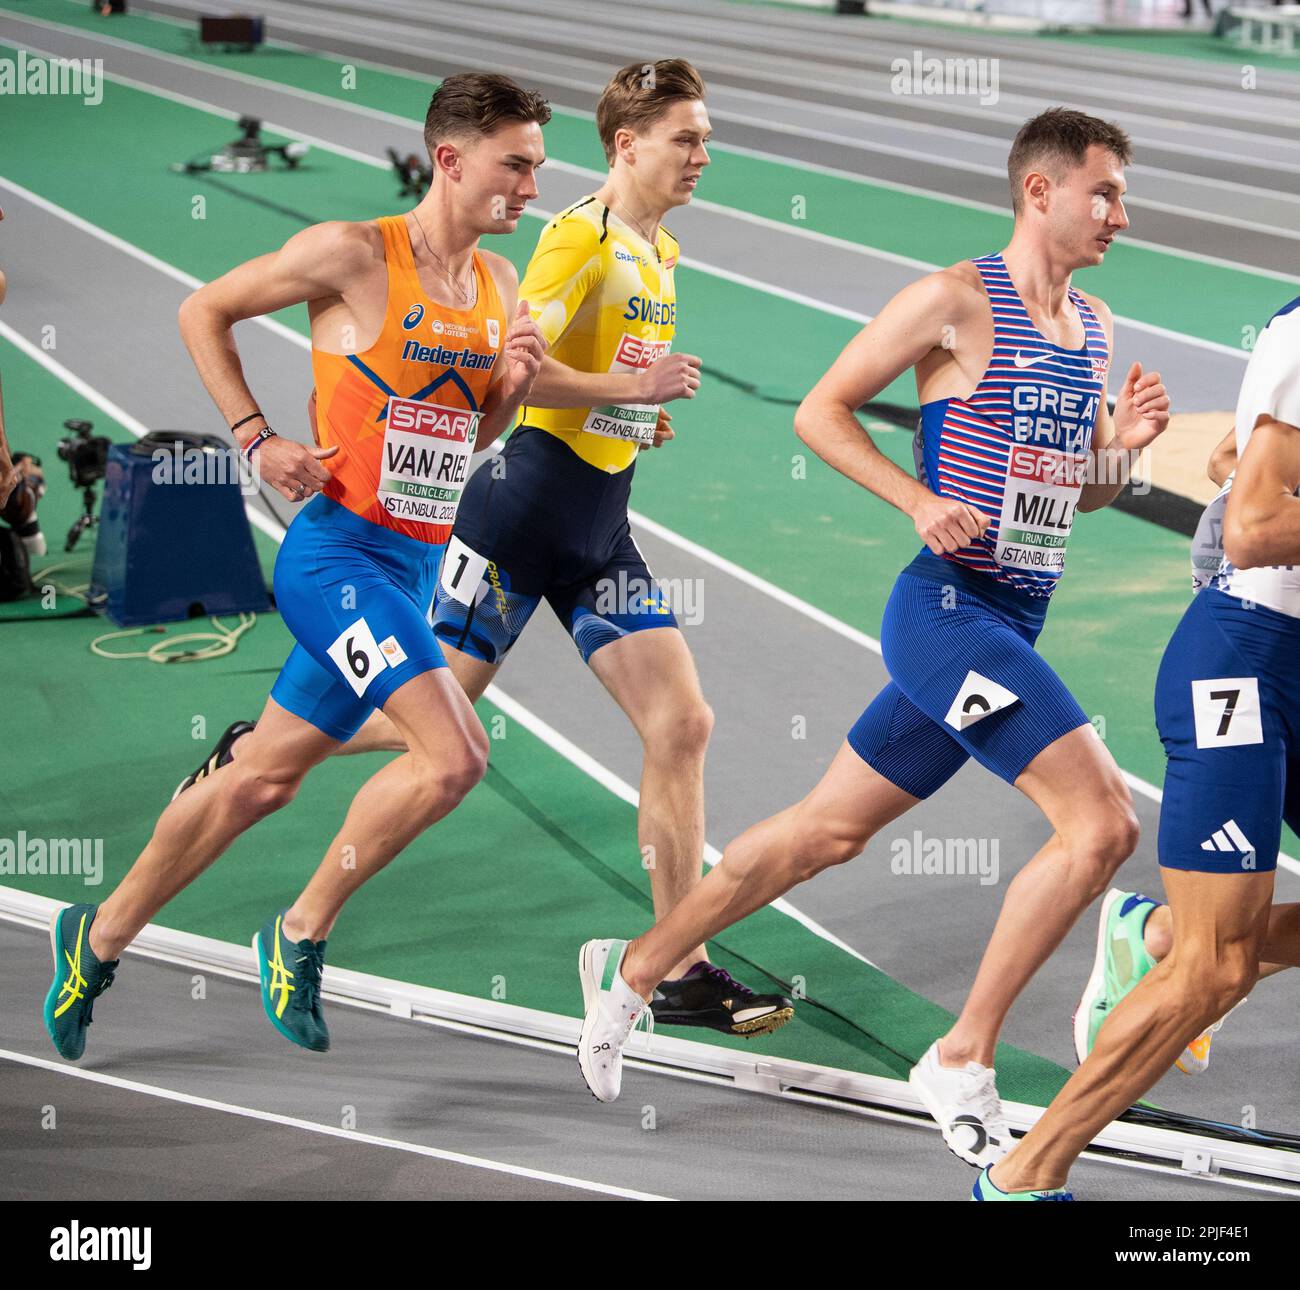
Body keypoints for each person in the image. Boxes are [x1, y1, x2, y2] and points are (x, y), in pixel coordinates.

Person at [574, 107, 1172, 1146]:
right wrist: (913, 500)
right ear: (1041, 192)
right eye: (1105, 191)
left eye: (1122, 193)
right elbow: (821, 409)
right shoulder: (952, 300)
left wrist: (1122, 453)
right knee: (1104, 824)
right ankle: (959, 1059)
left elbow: (1077, 499)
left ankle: (630, 969)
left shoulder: (1097, 327)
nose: (1122, 213)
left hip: (1010, 623)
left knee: (825, 833)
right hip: (944, 613)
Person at [175, 60, 794, 1040]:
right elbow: (519, 379)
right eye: (687, 138)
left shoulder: (657, 250)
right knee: (441, 722)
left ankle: (676, 964)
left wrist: (627, 425)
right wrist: (624, 398)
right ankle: (278, 808)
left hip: (599, 527)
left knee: (682, 725)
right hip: (520, 518)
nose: (703, 156)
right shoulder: (572, 240)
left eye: (705, 138)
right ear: (628, 144)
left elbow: (578, 377)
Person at [44, 73, 550, 1060]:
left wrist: (516, 392)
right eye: (516, 162)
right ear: (450, 159)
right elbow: (204, 309)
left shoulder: (496, 285)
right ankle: (300, 929)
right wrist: (254, 437)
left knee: (259, 781)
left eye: (536, 164)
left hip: (412, 563)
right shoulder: (353, 254)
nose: (532, 184)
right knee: (453, 756)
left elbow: (467, 435)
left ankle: (94, 939)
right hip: (334, 560)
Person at [979, 295, 1300, 1200]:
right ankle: (1022, 1176)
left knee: (1209, 946)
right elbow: (1250, 523)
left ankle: (1146, 932)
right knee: (1217, 965)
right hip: (1244, 663)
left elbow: (1238, 454)